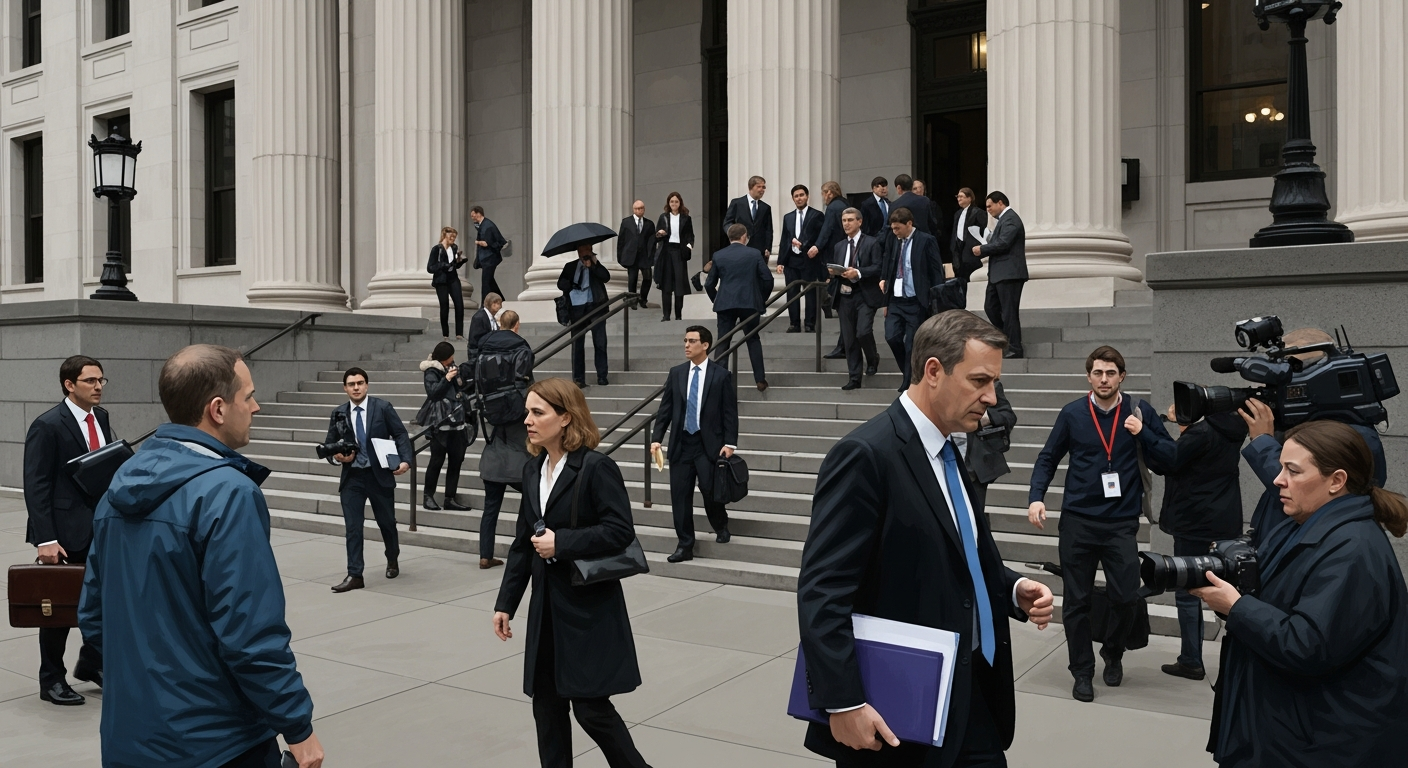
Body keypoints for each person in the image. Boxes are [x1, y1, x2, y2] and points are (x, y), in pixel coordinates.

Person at [797, 310, 1054, 767]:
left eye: (994, 383)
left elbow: (966, 554)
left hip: (974, 696)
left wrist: (1011, 588)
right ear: (933, 371)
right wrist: (843, 702)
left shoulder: (960, 448)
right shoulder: (866, 455)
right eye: (979, 381)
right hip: (896, 713)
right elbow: (823, 591)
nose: (992, 398)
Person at [78, 344, 324, 768]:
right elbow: (250, 634)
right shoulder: (228, 493)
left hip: (130, 737)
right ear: (218, 409)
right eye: (247, 396)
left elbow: (93, 617)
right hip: (219, 743)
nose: (257, 406)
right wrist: (298, 727)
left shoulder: (118, 486)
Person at [1190, 420, 1408, 767]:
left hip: (1316, 743)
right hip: (1284, 728)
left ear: (1337, 481)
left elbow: (1308, 645)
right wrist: (1230, 598)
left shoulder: (1353, 549)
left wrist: (1237, 608)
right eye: (1281, 468)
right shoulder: (1305, 525)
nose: (1278, 480)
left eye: (1293, 470)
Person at [493, 378, 652, 768]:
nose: (527, 420)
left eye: (538, 412)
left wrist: (562, 543)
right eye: (527, 412)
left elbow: (620, 531)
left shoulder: (596, 467)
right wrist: (506, 603)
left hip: (588, 610)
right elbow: (520, 545)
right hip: (546, 610)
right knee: (546, 709)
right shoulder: (532, 471)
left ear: (565, 417)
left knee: (590, 709)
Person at [1027, 345, 1175, 702]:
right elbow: (1048, 458)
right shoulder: (1073, 413)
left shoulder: (1140, 412)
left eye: (1110, 373)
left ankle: (1112, 650)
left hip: (1121, 523)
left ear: (1122, 376)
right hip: (1078, 521)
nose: (1104, 379)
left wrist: (1143, 433)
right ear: (1088, 376)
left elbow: (1169, 458)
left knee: (1126, 597)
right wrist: (1036, 497)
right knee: (1076, 601)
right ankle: (1081, 671)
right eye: (1097, 373)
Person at [1240, 327, 1388, 551]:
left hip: (1312, 550)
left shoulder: (1358, 436)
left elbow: (1298, 488)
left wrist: (1262, 439)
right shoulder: (1303, 423)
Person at [23, 355, 110, 706]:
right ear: (69, 385)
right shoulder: (48, 425)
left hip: (99, 529)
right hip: (61, 534)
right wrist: (46, 538)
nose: (99, 387)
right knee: (57, 609)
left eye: (102, 380)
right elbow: (36, 484)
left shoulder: (101, 417)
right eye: (90, 381)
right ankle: (51, 680)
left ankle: (92, 663)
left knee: (102, 602)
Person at [1157, 405, 1247, 681]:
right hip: (1225, 523)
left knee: (1187, 592)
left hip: (1193, 523)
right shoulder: (1230, 428)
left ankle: (1191, 659)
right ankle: (1237, 663)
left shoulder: (1201, 432)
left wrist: (1152, 429)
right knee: (1231, 592)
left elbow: (1169, 460)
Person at [652, 326, 739, 563]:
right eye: (685, 341)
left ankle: (720, 524)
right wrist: (656, 438)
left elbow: (730, 412)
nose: (686, 345)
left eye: (692, 341)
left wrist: (730, 443)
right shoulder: (677, 373)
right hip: (681, 444)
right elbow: (665, 409)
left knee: (710, 491)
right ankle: (685, 545)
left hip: (708, 445)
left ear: (706, 345)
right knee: (680, 497)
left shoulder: (720, 375)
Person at [325, 367, 413, 593]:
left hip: (379, 476)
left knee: (387, 523)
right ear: (345, 388)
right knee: (353, 527)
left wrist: (405, 460)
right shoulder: (339, 413)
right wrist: (337, 457)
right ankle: (355, 574)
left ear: (367, 385)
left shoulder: (382, 408)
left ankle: (392, 558)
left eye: (360, 383)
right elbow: (330, 445)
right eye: (352, 384)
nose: (356, 387)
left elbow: (401, 434)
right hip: (352, 477)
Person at [476, 309, 534, 569]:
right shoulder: (521, 347)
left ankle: (485, 555)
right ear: (517, 325)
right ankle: (530, 549)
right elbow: (525, 380)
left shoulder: (484, 347)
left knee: (490, 509)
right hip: (517, 456)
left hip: (492, 456)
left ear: (500, 323)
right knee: (533, 501)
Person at [879, 206, 943, 392]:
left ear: (909, 224)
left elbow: (936, 271)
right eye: (892, 228)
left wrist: (934, 299)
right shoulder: (893, 240)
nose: (894, 231)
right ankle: (909, 372)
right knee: (891, 336)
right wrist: (885, 297)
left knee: (911, 345)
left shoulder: (926, 240)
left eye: (898, 228)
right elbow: (887, 264)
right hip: (896, 299)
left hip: (916, 300)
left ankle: (909, 381)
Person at [706, 224, 772, 391]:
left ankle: (718, 383)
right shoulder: (754, 253)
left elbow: (708, 284)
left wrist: (717, 301)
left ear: (729, 238)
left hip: (725, 304)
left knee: (723, 342)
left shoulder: (719, 255)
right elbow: (768, 279)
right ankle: (760, 379)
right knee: (753, 339)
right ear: (744, 236)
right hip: (750, 303)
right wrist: (761, 300)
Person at [828, 207, 883, 390]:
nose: (846, 224)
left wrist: (858, 272)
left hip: (865, 294)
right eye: (844, 220)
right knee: (850, 338)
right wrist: (834, 272)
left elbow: (877, 267)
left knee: (863, 331)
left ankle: (873, 357)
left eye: (850, 220)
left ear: (859, 222)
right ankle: (854, 378)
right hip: (844, 295)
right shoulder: (839, 246)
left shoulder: (872, 243)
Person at [419, 341, 472, 512]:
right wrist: (447, 379)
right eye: (450, 357)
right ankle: (428, 496)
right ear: (443, 358)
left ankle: (450, 498)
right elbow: (433, 393)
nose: (453, 359)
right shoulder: (431, 371)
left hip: (457, 422)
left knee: (456, 462)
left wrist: (458, 378)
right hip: (440, 424)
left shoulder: (452, 367)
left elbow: (462, 387)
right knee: (436, 461)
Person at [976, 191, 1027, 359]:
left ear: (1000, 203)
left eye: (990, 206)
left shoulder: (1011, 219)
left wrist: (982, 249)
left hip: (1009, 274)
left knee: (1009, 312)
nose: (988, 210)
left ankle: (1015, 347)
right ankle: (1006, 339)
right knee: (990, 307)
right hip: (999, 274)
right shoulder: (1003, 221)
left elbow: (1004, 243)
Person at [957, 380, 1016, 517]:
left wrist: (987, 417)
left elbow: (1008, 416)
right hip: (942, 461)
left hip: (973, 466)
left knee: (975, 519)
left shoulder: (990, 384)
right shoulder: (942, 383)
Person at [556, 245, 612, 387]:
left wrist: (593, 265)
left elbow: (606, 277)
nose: (585, 253)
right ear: (578, 252)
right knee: (577, 344)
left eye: (587, 250)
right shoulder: (570, 266)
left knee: (600, 342)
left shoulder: (595, 266)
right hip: (577, 308)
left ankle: (602, 376)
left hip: (596, 307)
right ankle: (578, 379)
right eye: (582, 251)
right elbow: (560, 284)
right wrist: (571, 284)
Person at [776, 184, 824, 333]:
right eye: (796, 196)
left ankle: (810, 324)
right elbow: (785, 239)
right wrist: (780, 261)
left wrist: (805, 245)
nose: (799, 198)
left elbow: (819, 237)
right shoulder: (788, 217)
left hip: (808, 260)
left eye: (802, 195)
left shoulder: (817, 215)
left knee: (810, 293)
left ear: (807, 196)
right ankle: (794, 323)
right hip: (791, 260)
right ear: (792, 199)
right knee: (792, 293)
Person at [653, 191, 694, 322]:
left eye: (676, 201)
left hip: (679, 252)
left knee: (679, 284)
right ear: (668, 203)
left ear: (680, 203)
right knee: (666, 284)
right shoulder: (663, 217)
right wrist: (659, 233)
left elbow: (690, 236)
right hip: (666, 251)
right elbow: (656, 236)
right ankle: (666, 315)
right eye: (672, 202)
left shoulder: (686, 218)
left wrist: (689, 246)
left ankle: (678, 315)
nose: (674, 204)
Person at [815, 181, 848, 324]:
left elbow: (826, 229)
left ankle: (828, 302)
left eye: (823, 193)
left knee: (828, 277)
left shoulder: (832, 208)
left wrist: (817, 246)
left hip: (833, 248)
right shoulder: (845, 204)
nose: (823, 197)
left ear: (830, 193)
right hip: (845, 246)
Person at [428, 225, 469, 341]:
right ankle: (445, 334)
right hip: (441, 280)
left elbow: (454, 265)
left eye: (454, 237)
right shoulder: (436, 249)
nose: (453, 239)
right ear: (445, 235)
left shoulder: (454, 248)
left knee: (459, 304)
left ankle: (459, 334)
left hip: (453, 278)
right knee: (444, 305)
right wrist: (443, 265)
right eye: (451, 236)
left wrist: (459, 261)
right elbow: (430, 267)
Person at [722, 175, 774, 261]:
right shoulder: (737, 203)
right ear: (751, 187)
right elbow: (727, 222)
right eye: (759, 187)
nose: (762, 190)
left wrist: (768, 248)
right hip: (739, 248)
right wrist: (734, 235)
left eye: (763, 187)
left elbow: (768, 229)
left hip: (759, 251)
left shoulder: (766, 208)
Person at [951, 187, 987, 303]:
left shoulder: (978, 213)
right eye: (958, 197)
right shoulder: (957, 214)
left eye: (961, 196)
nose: (959, 199)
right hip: (959, 249)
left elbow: (982, 231)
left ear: (970, 198)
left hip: (971, 251)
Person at [617, 200, 655, 310]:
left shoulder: (649, 224)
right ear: (633, 209)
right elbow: (621, 240)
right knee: (632, 278)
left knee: (647, 278)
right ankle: (632, 301)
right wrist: (620, 256)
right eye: (636, 208)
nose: (639, 210)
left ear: (644, 209)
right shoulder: (626, 222)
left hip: (645, 256)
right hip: (631, 255)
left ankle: (643, 299)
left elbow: (652, 241)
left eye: (641, 208)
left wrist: (652, 256)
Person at [471, 205, 509, 300]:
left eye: (473, 215)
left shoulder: (488, 226)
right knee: (490, 281)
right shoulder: (483, 225)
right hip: (486, 259)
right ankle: (502, 300)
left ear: (478, 213)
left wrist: (483, 243)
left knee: (486, 283)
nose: (472, 218)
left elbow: (498, 242)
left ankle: (484, 305)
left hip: (489, 258)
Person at [467, 292, 503, 359]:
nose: (500, 307)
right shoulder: (479, 317)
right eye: (498, 304)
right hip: (480, 356)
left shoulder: (493, 317)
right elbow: (475, 341)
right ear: (492, 303)